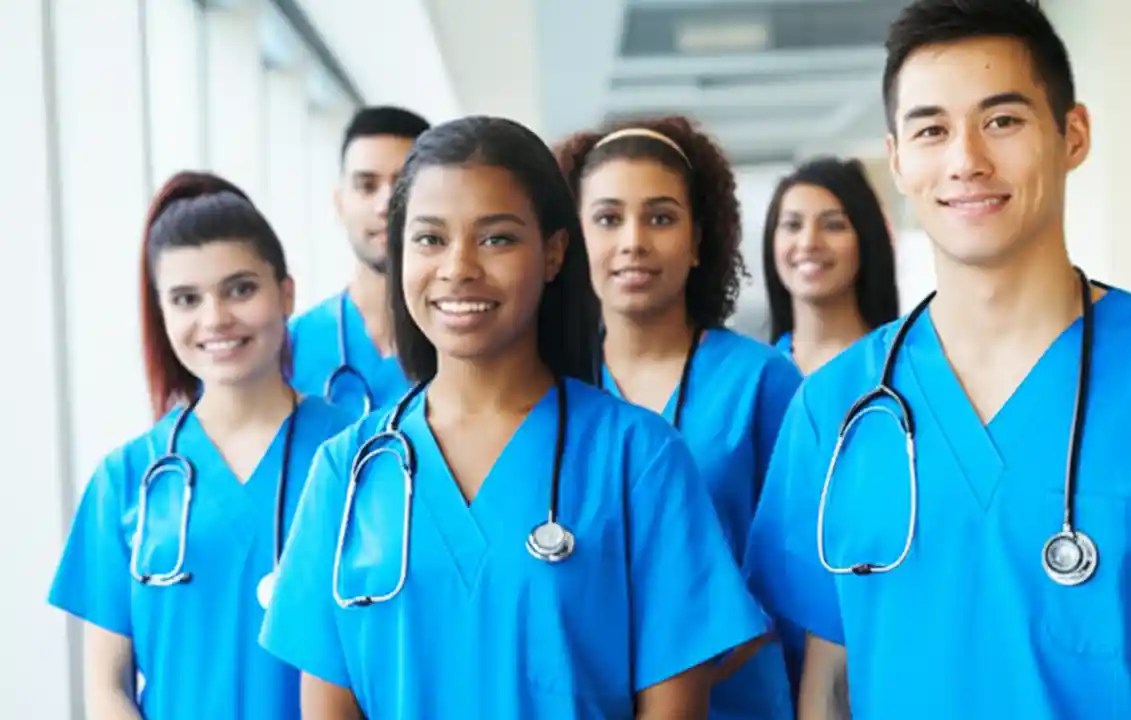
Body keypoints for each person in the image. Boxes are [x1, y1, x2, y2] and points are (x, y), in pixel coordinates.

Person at [744, 1, 1131, 718]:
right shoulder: (834, 408)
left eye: (1001, 120)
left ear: (1073, 135)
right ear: (898, 161)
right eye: (932, 130)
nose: (966, 160)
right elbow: (830, 684)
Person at [258, 116, 771, 719]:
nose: (458, 267)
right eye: (429, 239)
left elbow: (674, 707)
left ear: (554, 252)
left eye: (496, 238)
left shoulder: (638, 457)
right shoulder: (347, 472)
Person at [47, 171, 352, 719]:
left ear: (286, 293)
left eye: (240, 289)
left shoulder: (356, 458)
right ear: (163, 314)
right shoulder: (126, 478)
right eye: (187, 299)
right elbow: (107, 687)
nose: (215, 319)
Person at [556, 116, 799, 719]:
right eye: (607, 219)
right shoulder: (551, 389)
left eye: (661, 218)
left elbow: (795, 580)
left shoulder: (762, 382)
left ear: (697, 243)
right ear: (571, 242)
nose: (633, 241)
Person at [289, 106, 430, 417]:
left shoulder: (467, 341)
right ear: (340, 203)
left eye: (404, 185)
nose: (385, 205)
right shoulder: (288, 348)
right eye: (367, 186)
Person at [763, 156, 901, 375]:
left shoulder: (900, 368)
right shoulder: (757, 373)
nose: (808, 242)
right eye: (793, 225)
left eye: (833, 226)